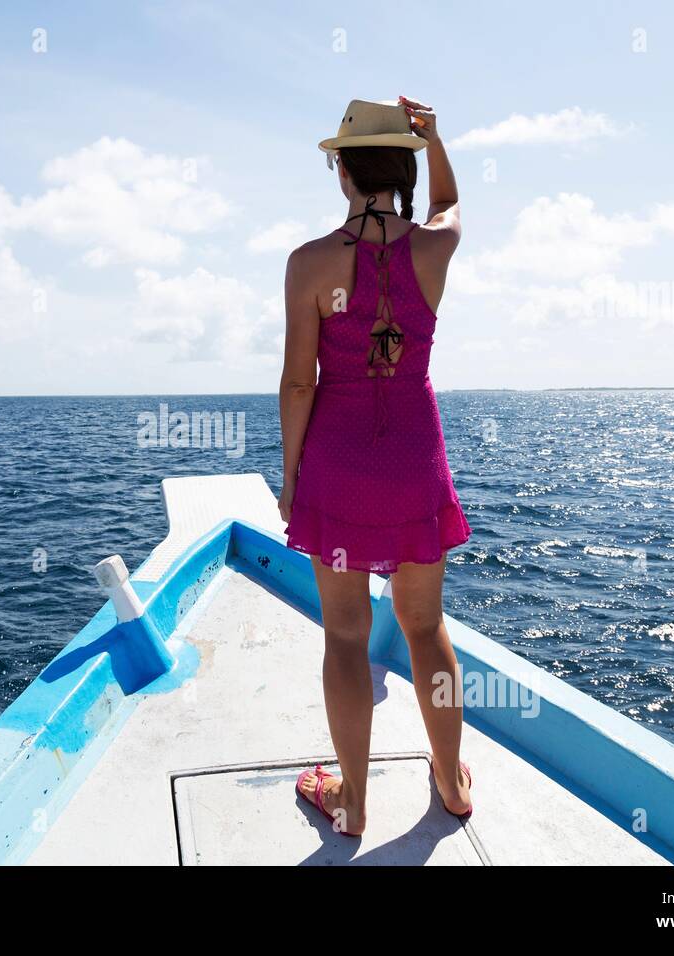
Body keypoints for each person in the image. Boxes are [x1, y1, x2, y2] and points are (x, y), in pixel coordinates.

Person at [278, 96, 472, 835]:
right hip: (416, 461)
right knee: (426, 630)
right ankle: (452, 781)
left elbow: (300, 383)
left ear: (345, 171)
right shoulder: (433, 247)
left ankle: (353, 802)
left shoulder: (310, 264)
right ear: (402, 166)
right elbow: (450, 201)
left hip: (338, 464)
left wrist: (294, 479)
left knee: (346, 638)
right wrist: (437, 139)